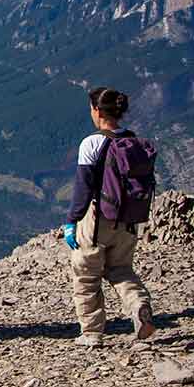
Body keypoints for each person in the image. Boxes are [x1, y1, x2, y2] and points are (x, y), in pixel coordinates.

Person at [67, 87, 156, 346]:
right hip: (128, 220)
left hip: (97, 219)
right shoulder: (134, 142)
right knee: (121, 269)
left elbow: (83, 186)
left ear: (96, 110)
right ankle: (139, 307)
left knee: (86, 274)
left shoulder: (92, 143)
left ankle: (92, 332)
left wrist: (72, 220)